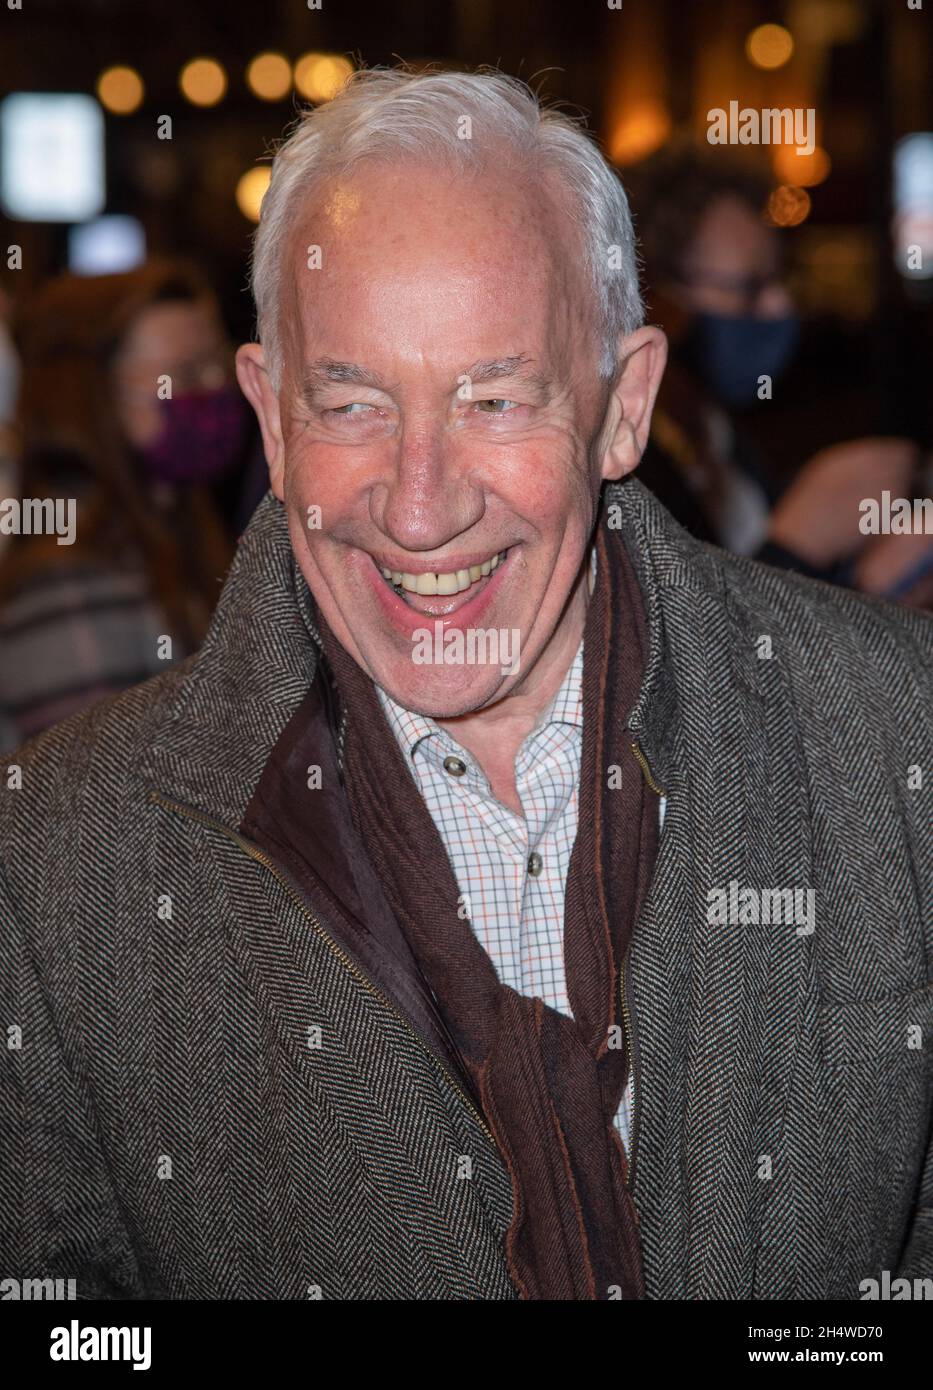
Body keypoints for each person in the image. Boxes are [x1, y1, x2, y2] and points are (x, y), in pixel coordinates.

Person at [0, 67, 930, 1301]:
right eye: (352, 402)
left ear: (624, 406)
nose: (421, 507)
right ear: (272, 421)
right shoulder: (59, 864)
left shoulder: (893, 731)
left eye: (494, 399)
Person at [630, 142, 932, 602]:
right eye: (750, 288)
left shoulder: (719, 433)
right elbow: (685, 657)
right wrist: (797, 545)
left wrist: (868, 584)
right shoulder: (629, 474)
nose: (781, 307)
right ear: (657, 295)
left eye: (780, 279)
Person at [0, 260, 247, 748]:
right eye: (183, 374)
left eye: (217, 362)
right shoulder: (65, 586)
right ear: (91, 399)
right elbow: (105, 804)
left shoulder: (180, 532)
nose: (215, 387)